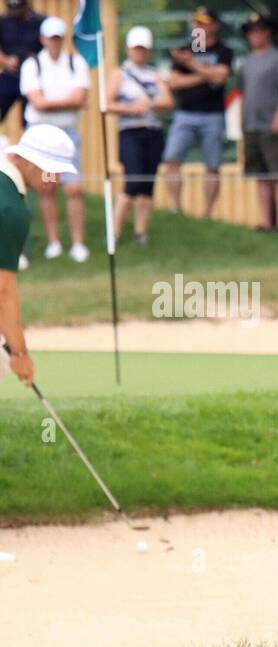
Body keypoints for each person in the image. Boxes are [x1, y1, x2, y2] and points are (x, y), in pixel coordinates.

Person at [0, 125, 78, 387]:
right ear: (26, 161)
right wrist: (20, 353)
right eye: (51, 169)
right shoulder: (10, 209)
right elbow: (3, 290)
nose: (54, 179)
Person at [19, 16, 87, 262]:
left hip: (66, 136)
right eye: (51, 38)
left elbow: (79, 98)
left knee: (73, 188)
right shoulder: (32, 65)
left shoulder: (75, 62)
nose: (54, 42)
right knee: (46, 188)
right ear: (43, 39)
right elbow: (36, 102)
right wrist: (65, 102)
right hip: (41, 137)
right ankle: (54, 242)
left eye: (58, 38)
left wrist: (49, 103)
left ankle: (78, 244)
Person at [162, 6, 233, 219]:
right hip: (185, 113)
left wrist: (191, 65)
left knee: (212, 164)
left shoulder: (223, 51)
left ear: (214, 25)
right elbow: (174, 82)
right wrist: (206, 74)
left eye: (204, 22)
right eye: (197, 22)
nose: (199, 26)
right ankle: (176, 208)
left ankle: (208, 213)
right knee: (172, 158)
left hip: (213, 115)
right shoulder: (186, 48)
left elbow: (221, 77)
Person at [107, 26, 173, 246]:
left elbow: (167, 101)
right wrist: (130, 109)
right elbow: (107, 103)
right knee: (133, 180)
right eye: (136, 48)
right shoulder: (120, 74)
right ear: (129, 49)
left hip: (152, 132)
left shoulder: (154, 74)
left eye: (143, 49)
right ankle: (114, 231)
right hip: (130, 132)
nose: (140, 52)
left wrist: (149, 103)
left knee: (147, 183)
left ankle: (140, 233)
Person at [238, 13, 278, 233]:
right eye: (251, 31)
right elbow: (242, 94)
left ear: (267, 32)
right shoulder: (246, 63)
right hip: (251, 125)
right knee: (260, 176)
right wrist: (241, 121)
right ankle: (265, 220)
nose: (254, 35)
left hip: (271, 125)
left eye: (258, 30)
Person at [0, 0, 45, 125]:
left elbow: (49, 47)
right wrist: (5, 60)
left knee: (31, 120)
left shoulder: (40, 21)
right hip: (11, 75)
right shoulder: (3, 21)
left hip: (34, 79)